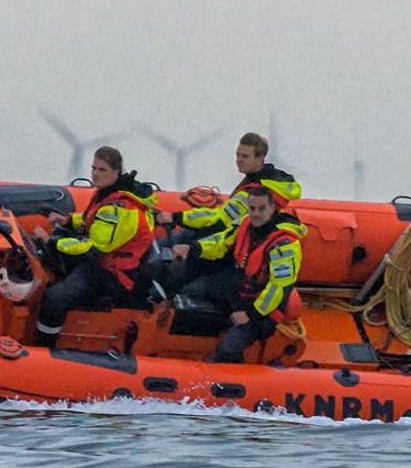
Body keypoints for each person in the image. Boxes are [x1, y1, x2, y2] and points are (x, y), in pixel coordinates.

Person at [33, 146, 158, 344]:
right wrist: (68, 221)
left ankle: (42, 345)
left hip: (113, 273)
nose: (95, 174)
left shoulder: (119, 208)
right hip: (106, 260)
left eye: (102, 170)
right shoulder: (110, 193)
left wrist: (53, 242)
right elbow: (95, 222)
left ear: (116, 172)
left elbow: (92, 248)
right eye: (93, 168)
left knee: (55, 297)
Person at [153, 133, 301, 294]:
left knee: (173, 272)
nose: (239, 160)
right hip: (223, 245)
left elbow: (220, 221)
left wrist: (176, 217)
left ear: (260, 159)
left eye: (245, 156)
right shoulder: (263, 182)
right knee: (177, 244)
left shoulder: (253, 193)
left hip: (225, 257)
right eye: (238, 155)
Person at [185, 186, 306, 363]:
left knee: (227, 350)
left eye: (262, 208)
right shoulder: (245, 225)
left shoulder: (284, 245)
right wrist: (193, 248)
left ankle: (236, 372)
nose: (256, 214)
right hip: (239, 293)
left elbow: (278, 288)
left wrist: (250, 314)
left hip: (262, 311)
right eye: (252, 208)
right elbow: (221, 243)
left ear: (273, 208)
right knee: (193, 290)